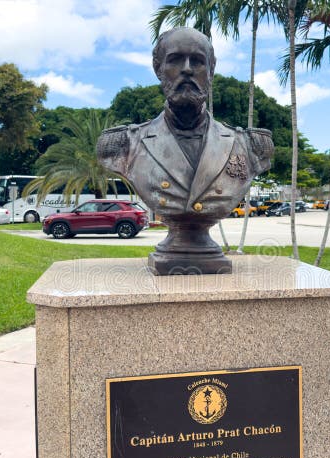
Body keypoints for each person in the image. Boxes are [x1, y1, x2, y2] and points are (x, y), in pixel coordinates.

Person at [96, 27, 273, 274]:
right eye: (176, 60)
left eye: (197, 61)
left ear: (211, 70)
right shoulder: (124, 145)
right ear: (158, 69)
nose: (187, 69)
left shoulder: (249, 145)